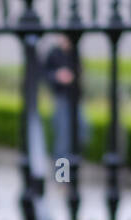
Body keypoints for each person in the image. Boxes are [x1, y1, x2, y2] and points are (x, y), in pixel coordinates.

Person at [42, 34, 88, 163]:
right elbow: (45, 74)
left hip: (76, 98)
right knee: (63, 139)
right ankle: (62, 177)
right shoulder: (54, 53)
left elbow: (80, 71)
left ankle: (73, 166)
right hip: (61, 98)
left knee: (83, 130)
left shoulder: (74, 52)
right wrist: (57, 76)